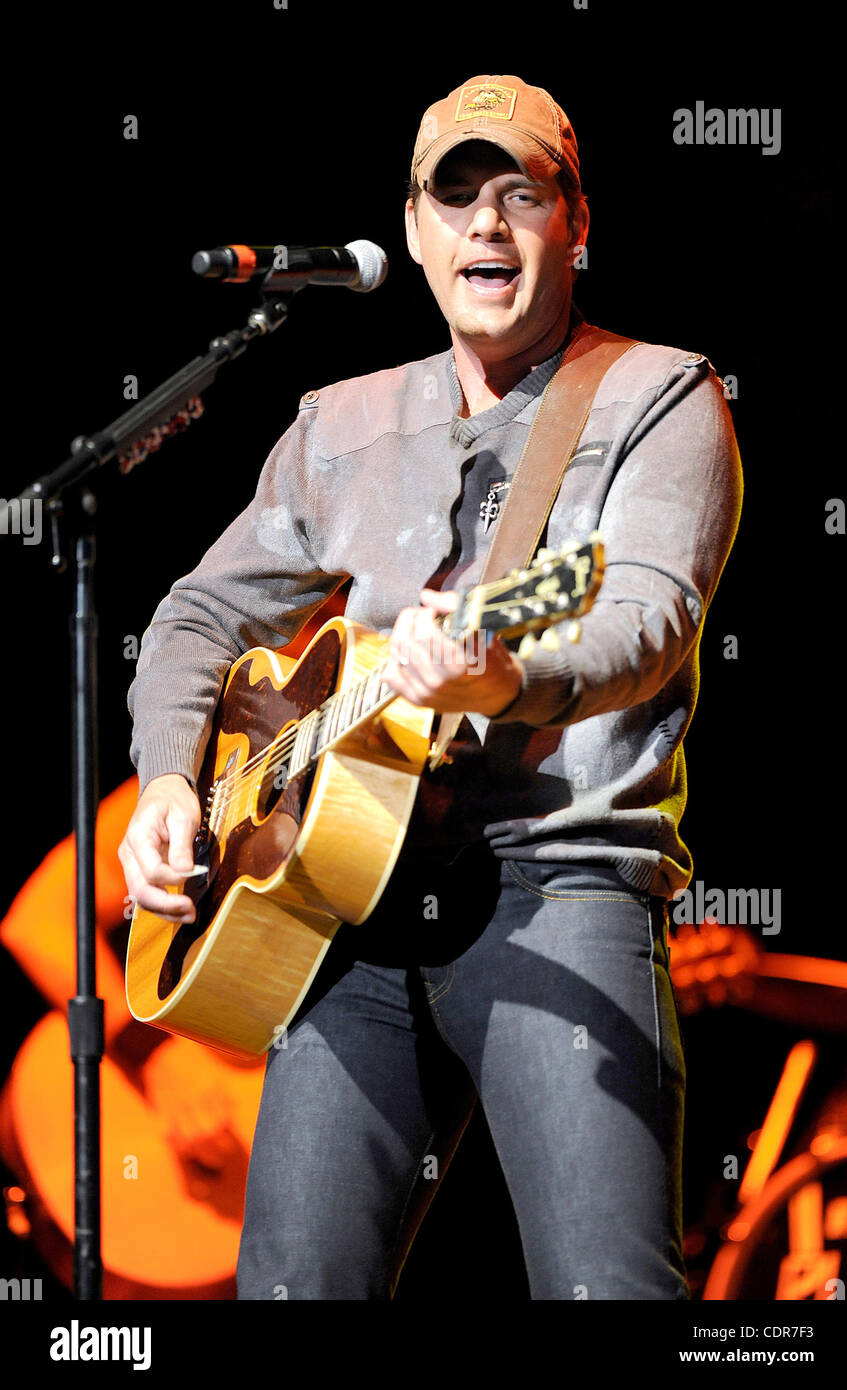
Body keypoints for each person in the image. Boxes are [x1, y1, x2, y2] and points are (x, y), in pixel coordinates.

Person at [119, 73, 742, 1300]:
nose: (488, 227)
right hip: (346, 906)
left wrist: (508, 672)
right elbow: (194, 613)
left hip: (558, 890)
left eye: (522, 195)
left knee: (604, 1291)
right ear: (411, 233)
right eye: (455, 198)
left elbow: (649, 621)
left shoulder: (660, 393)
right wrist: (164, 785)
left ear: (578, 224)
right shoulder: (338, 422)